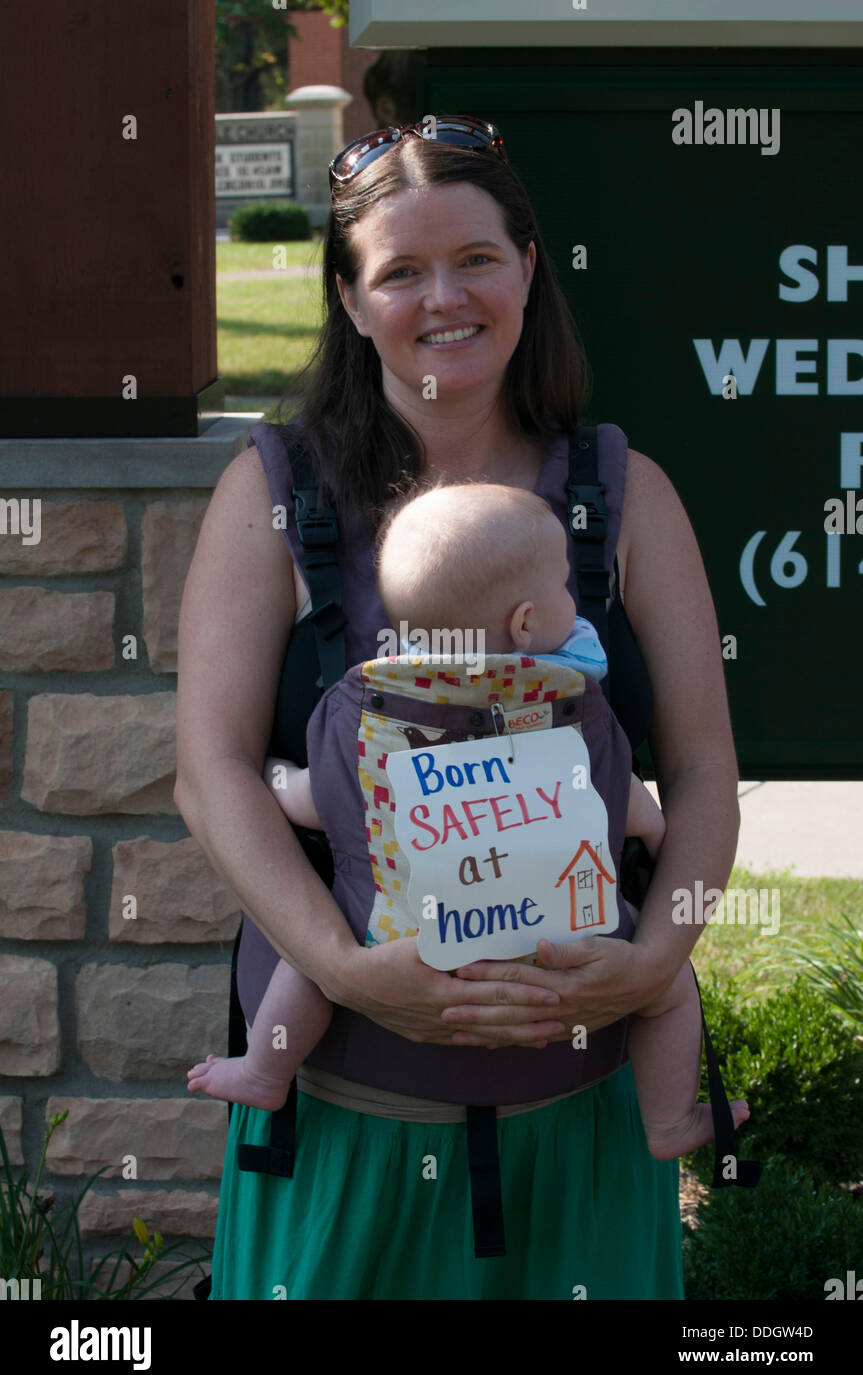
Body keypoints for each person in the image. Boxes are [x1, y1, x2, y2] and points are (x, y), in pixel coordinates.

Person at [175, 115, 741, 1300]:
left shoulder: (621, 496)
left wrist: (655, 962)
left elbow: (697, 775)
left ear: (529, 269)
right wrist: (340, 965)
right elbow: (210, 772)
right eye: (398, 270)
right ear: (346, 294)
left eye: (476, 258)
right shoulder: (276, 497)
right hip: (346, 1132)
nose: (445, 297)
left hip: (578, 1133)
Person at [187, 481, 748, 1162]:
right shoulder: (574, 706)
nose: (575, 603)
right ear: (523, 623)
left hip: (404, 945)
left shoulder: (372, 712)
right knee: (667, 990)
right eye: (564, 589)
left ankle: (263, 1071)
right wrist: (657, 841)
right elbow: (627, 805)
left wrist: (277, 779)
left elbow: (318, 802)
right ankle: (668, 1124)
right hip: (565, 946)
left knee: (312, 963)